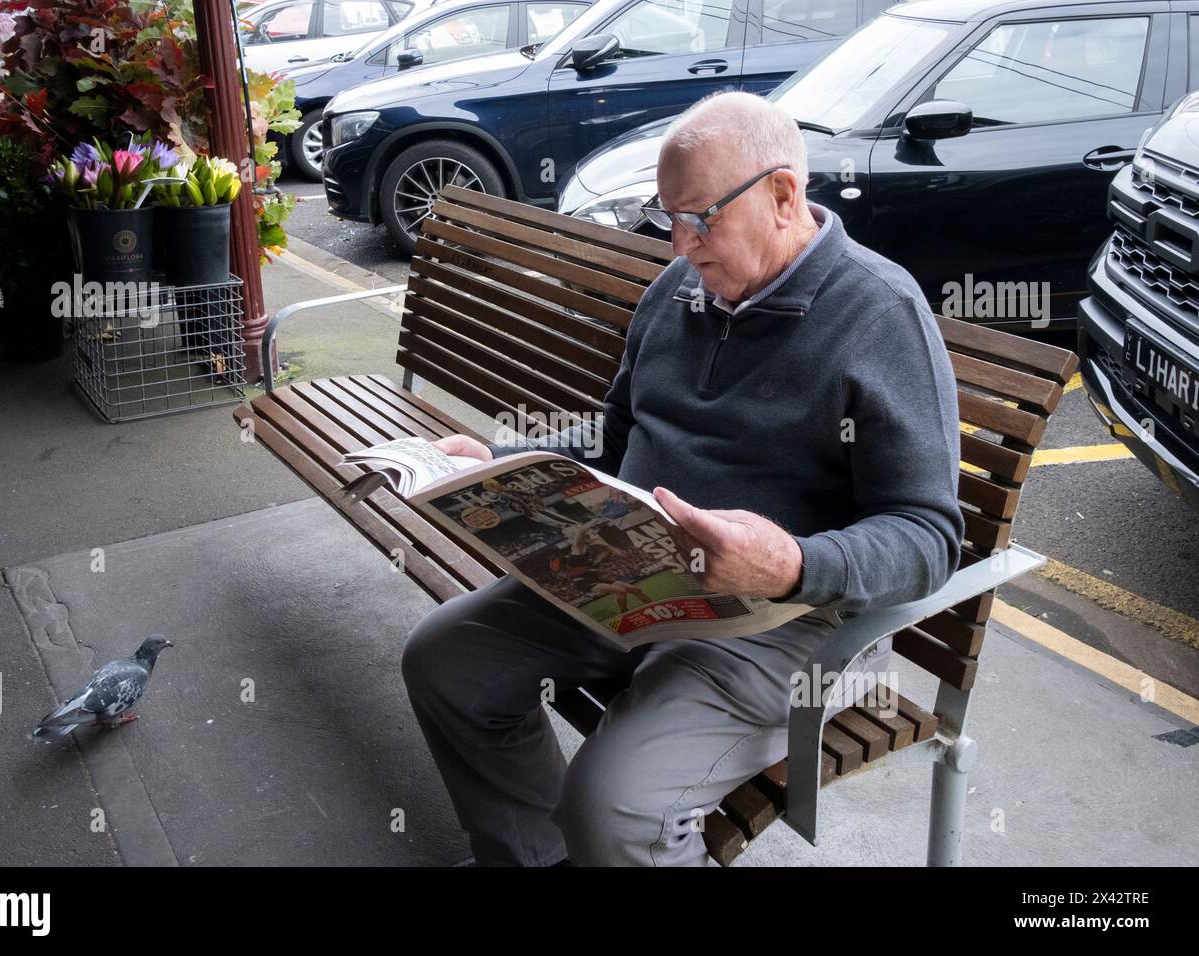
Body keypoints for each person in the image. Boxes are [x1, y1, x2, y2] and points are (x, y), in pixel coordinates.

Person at [401, 91, 965, 866]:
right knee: (444, 662)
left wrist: (795, 565)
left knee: (612, 803)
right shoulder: (680, 290)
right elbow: (617, 430)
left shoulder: (880, 315)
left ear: (782, 196)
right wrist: (496, 465)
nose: (678, 246)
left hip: (783, 625)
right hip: (629, 577)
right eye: (669, 218)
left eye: (698, 218)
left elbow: (928, 538)